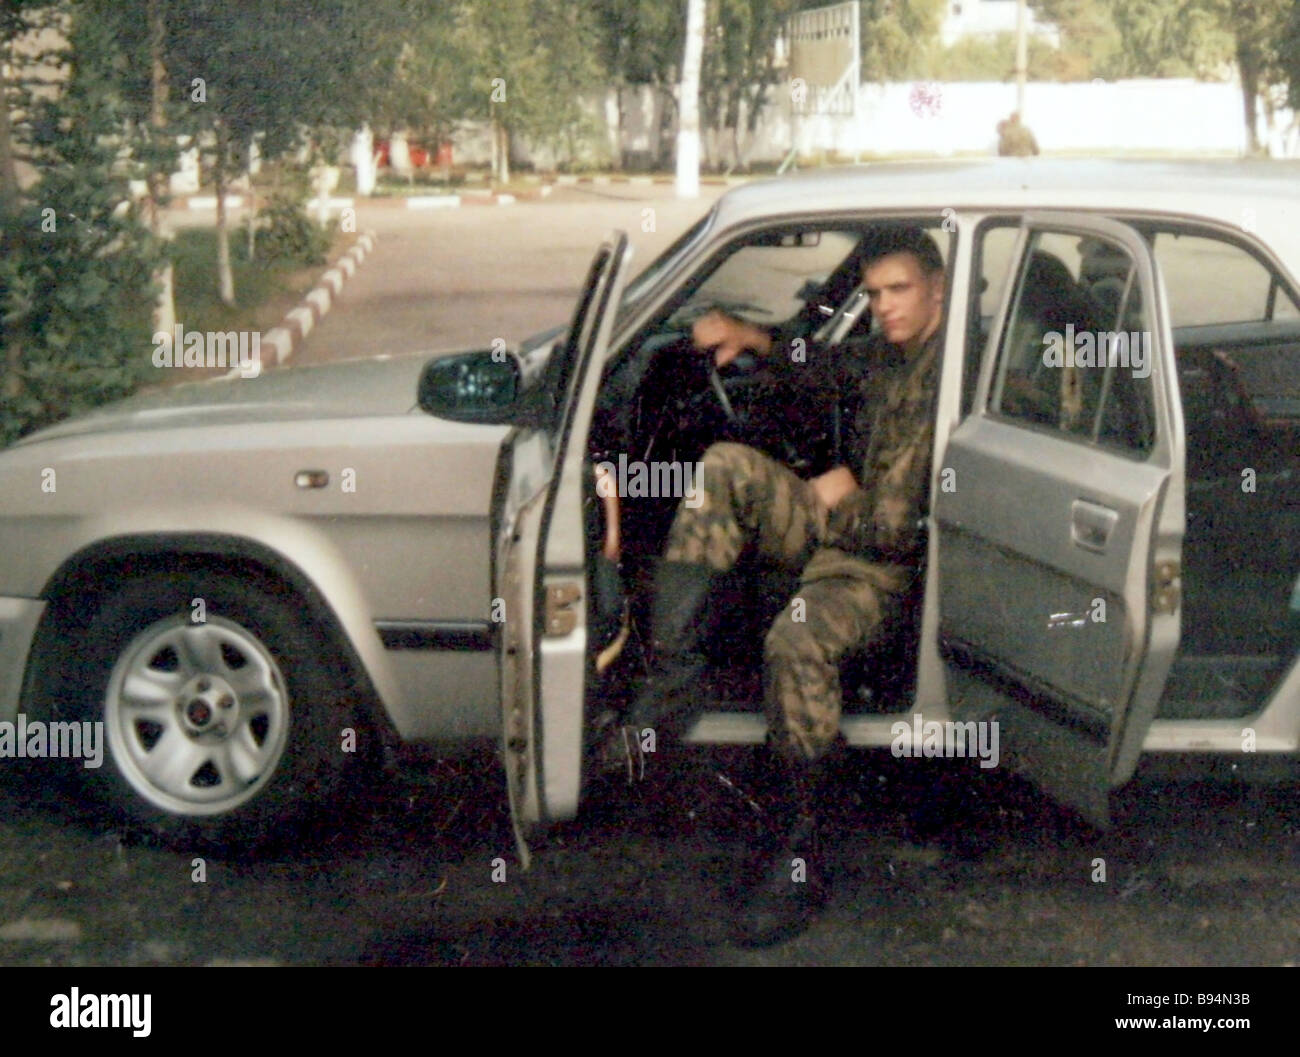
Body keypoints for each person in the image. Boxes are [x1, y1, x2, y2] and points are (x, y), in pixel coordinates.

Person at [607, 226, 946, 945]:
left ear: (937, 289)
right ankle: (672, 677)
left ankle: (803, 850)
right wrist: (751, 338)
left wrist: (836, 494)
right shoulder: (893, 355)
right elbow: (826, 367)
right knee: (727, 462)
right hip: (842, 533)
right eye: (875, 293)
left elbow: (900, 525)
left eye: (900, 291)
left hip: (882, 567)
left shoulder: (942, 376)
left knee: (794, 640)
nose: (884, 306)